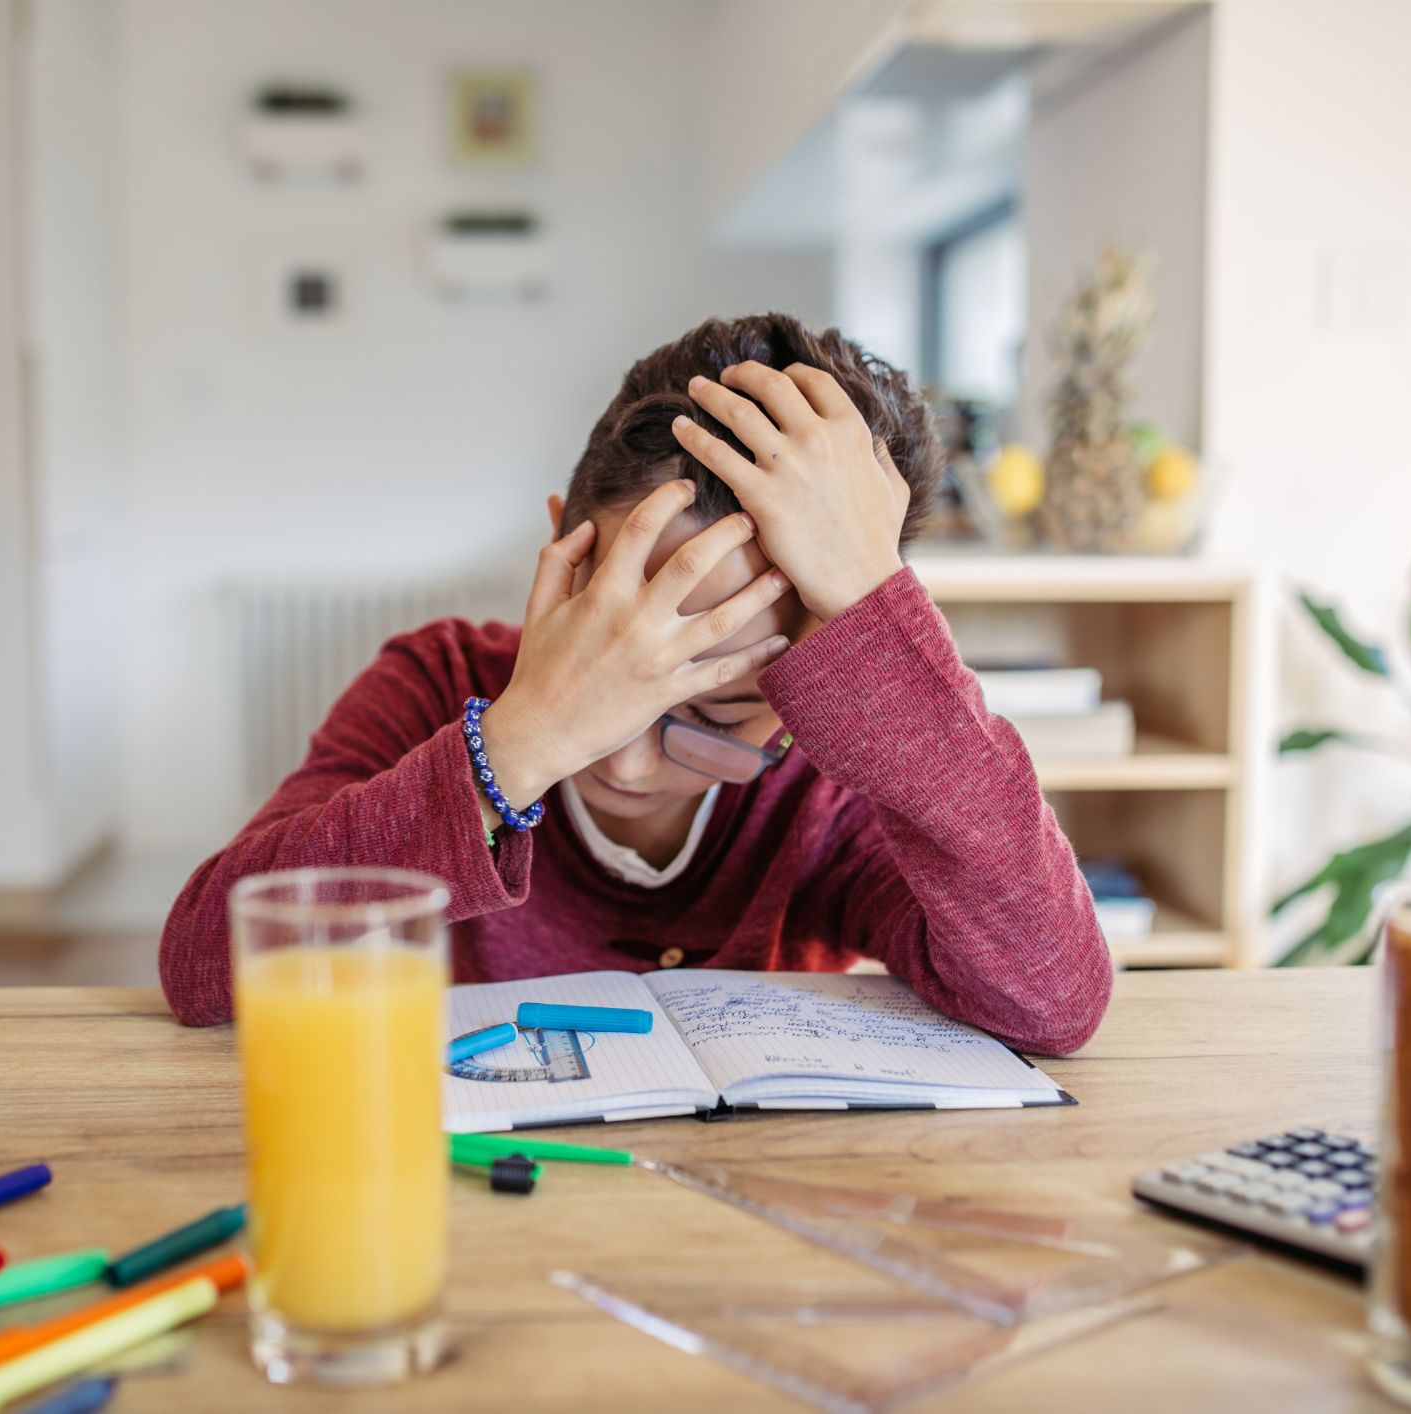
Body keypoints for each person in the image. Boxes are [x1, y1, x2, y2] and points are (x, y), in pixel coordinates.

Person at [160, 313, 1112, 1053]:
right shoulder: (436, 683)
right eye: (601, 677)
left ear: (829, 659)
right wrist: (522, 742)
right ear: (558, 559)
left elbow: (1053, 1000)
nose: (623, 756)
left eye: (712, 711)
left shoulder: (839, 763)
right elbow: (208, 965)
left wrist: (876, 610)